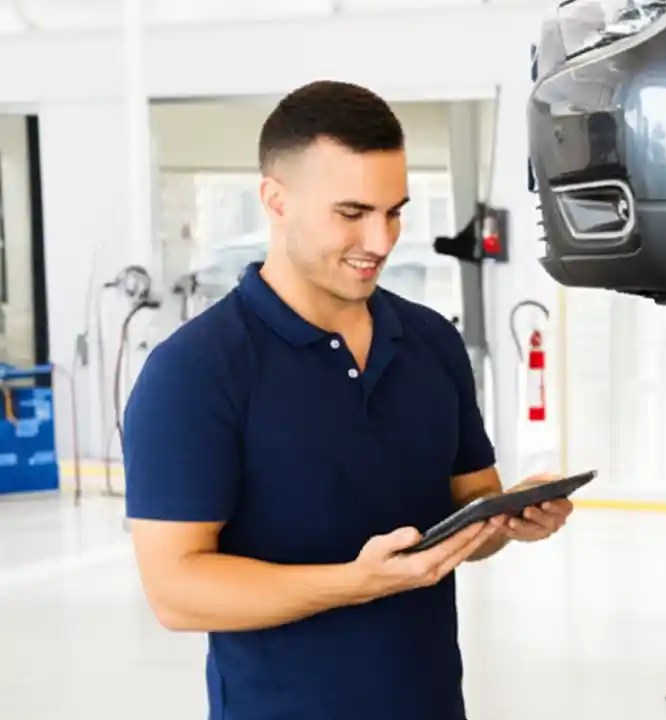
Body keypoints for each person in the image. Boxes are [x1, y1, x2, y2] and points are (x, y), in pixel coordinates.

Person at [122, 79, 574, 720]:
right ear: (274, 200)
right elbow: (176, 591)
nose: (382, 240)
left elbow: (470, 510)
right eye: (352, 213)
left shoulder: (431, 342)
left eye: (394, 211)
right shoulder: (194, 371)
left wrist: (509, 520)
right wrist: (355, 584)